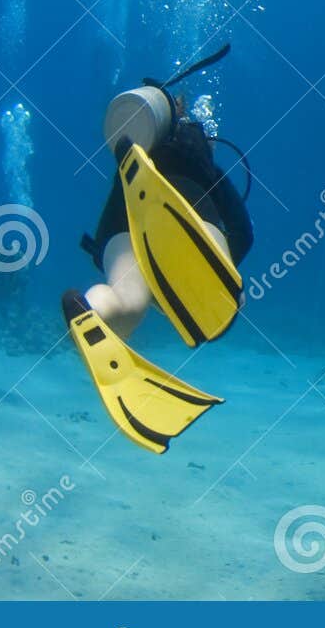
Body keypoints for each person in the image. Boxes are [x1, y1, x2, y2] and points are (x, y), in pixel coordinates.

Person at [61, 46, 254, 454]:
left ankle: (95, 311)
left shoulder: (137, 151)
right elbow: (243, 230)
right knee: (211, 254)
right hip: (184, 208)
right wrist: (226, 261)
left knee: (127, 300)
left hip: (121, 225)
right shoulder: (204, 163)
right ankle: (194, 260)